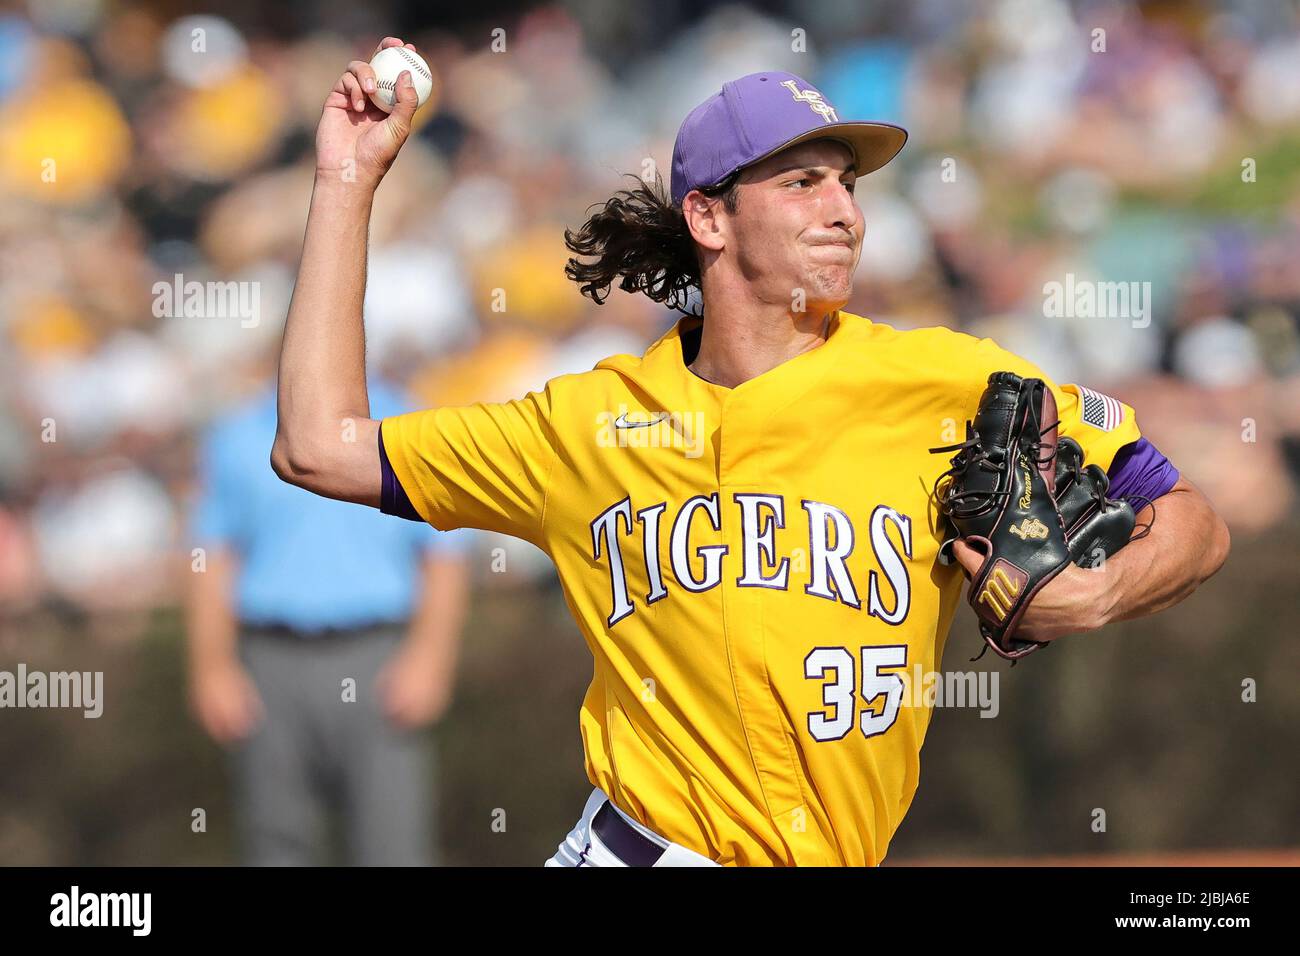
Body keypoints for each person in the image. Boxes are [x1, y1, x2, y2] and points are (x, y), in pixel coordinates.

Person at [270, 37, 1230, 866]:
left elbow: (1190, 519)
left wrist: (1105, 590)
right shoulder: (586, 426)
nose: (844, 209)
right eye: (802, 182)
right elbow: (319, 447)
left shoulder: (950, 382)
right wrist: (346, 181)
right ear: (709, 218)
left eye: (847, 184)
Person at [187, 374, 470, 866]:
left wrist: (430, 659)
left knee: (393, 845)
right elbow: (212, 557)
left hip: (378, 656)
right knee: (275, 843)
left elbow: (444, 555)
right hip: (271, 660)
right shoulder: (237, 435)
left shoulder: (405, 423)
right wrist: (212, 667)